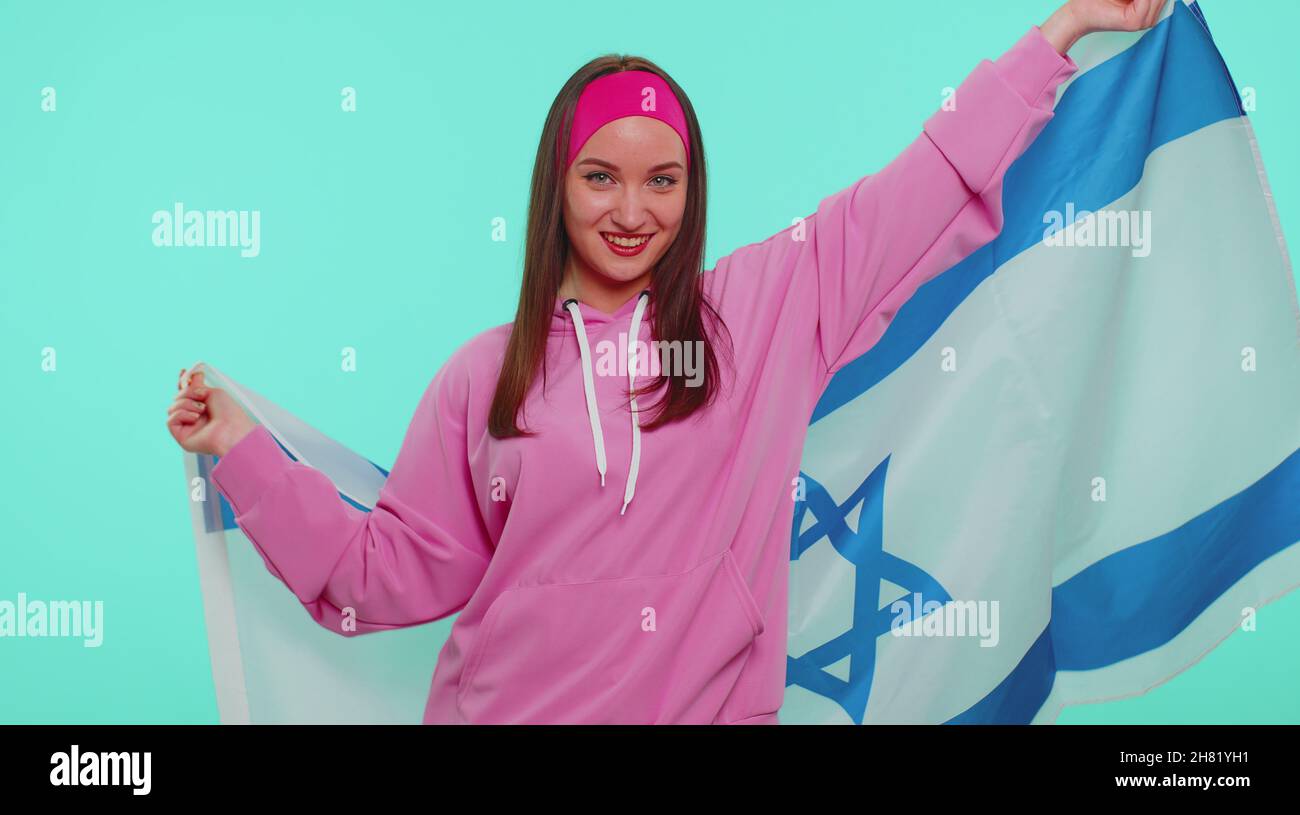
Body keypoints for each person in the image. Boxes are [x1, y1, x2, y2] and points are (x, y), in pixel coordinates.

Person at [167, 0, 1167, 724]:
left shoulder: (762, 316)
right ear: (556, 187)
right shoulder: (487, 376)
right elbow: (374, 577)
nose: (632, 210)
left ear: (693, 189)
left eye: (664, 180)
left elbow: (921, 185)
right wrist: (239, 447)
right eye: (600, 176)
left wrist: (1060, 33)